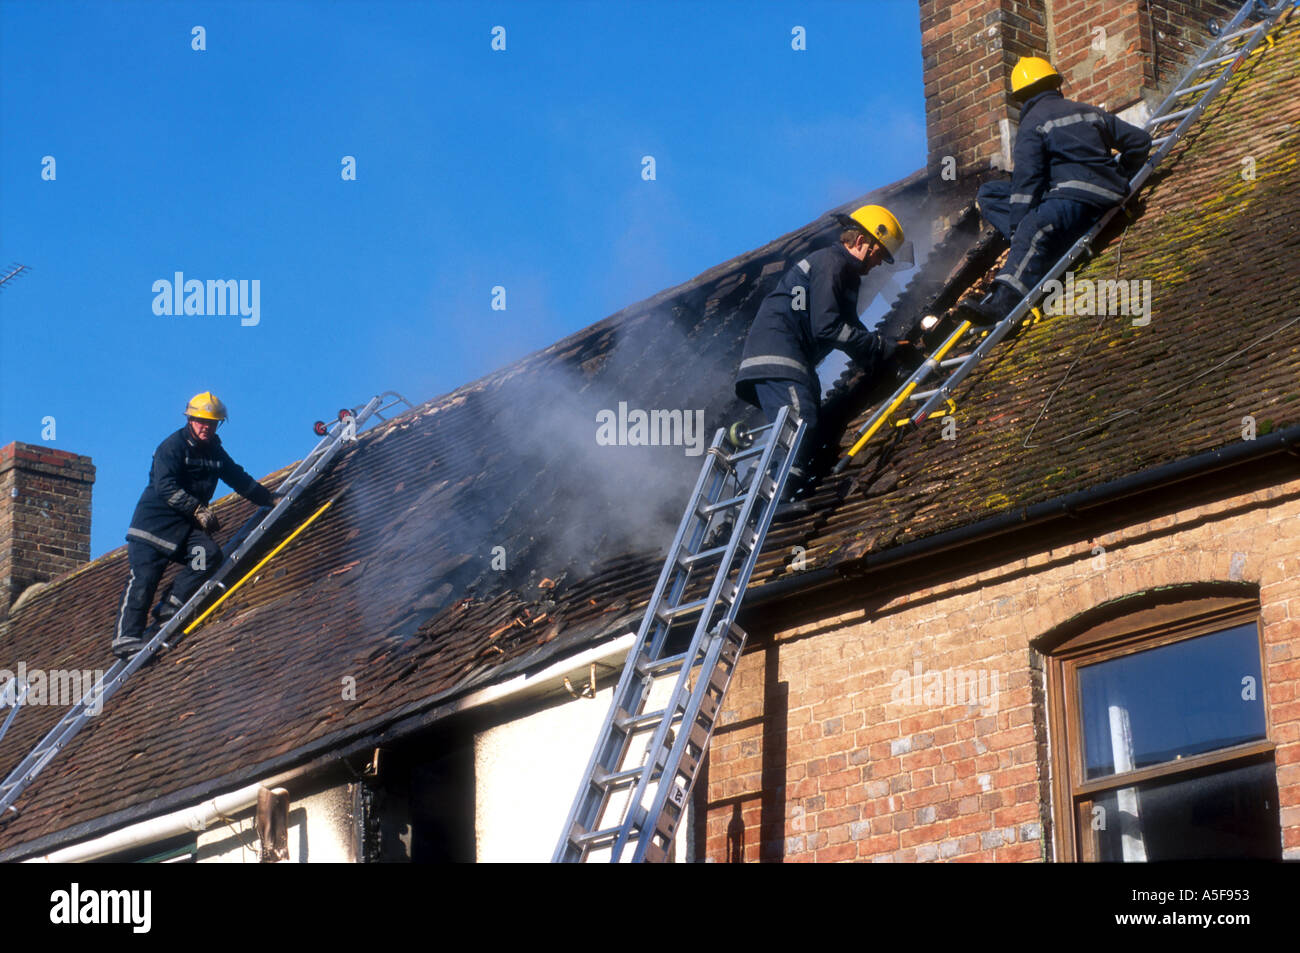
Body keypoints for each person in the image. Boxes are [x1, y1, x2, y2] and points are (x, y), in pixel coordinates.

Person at [955, 56, 1152, 326]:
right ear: (1056, 85)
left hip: (1071, 201)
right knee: (990, 192)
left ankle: (1003, 304)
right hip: (1101, 195)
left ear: (1022, 98)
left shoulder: (1032, 124)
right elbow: (1140, 141)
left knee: (1031, 227)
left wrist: (1019, 230)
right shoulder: (1089, 111)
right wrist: (1123, 176)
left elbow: (1027, 184)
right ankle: (1042, 242)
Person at [734, 204, 910, 504]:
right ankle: (772, 503)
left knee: (795, 424)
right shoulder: (832, 263)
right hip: (781, 356)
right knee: (801, 419)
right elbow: (828, 328)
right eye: (879, 254)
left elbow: (849, 326)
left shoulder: (842, 272)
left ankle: (755, 494)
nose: (878, 263)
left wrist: (881, 357)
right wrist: (879, 348)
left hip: (789, 359)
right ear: (861, 242)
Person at [111, 393, 279, 658]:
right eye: (201, 421)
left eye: (212, 423)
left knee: (207, 555)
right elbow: (164, 486)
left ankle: (170, 606)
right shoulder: (171, 447)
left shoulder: (215, 452)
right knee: (144, 580)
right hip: (151, 530)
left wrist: (268, 498)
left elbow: (237, 477)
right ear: (190, 419)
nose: (206, 427)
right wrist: (197, 509)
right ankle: (126, 638)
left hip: (183, 531)